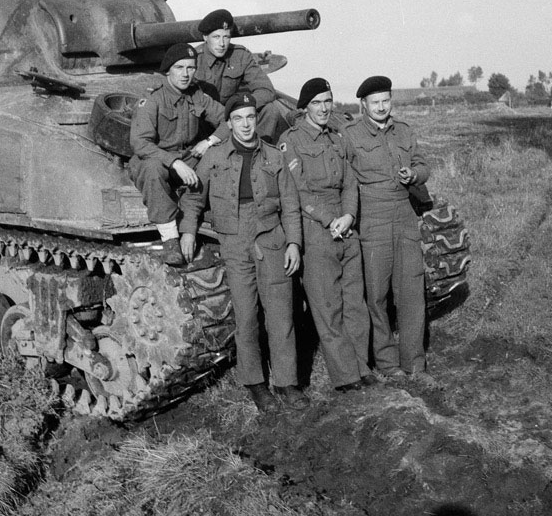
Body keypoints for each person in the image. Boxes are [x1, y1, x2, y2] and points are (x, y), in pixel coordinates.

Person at [179, 92, 308, 412]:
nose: (246, 124)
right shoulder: (215, 157)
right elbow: (194, 197)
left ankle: (287, 384)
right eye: (239, 118)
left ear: (256, 119)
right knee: (247, 317)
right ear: (229, 123)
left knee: (281, 316)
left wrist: (294, 243)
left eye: (251, 117)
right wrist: (188, 230)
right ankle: (255, 384)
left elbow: (291, 205)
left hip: (271, 240)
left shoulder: (274, 156)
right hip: (235, 243)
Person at [279, 78, 376, 392]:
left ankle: (362, 367)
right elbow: (297, 191)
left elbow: (350, 181)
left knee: (355, 305)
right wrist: (329, 219)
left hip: (345, 225)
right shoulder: (291, 140)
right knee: (328, 306)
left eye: (328, 101)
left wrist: (348, 215)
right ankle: (346, 376)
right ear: (305, 106)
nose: (323, 108)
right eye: (317, 102)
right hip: (316, 228)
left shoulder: (337, 137)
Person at [344, 75, 437, 387]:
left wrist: (415, 175)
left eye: (385, 101)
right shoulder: (350, 134)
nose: (381, 107)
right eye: (375, 103)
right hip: (372, 219)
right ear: (363, 105)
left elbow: (423, 164)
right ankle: (386, 361)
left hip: (405, 214)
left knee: (411, 291)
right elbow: (345, 179)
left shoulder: (405, 131)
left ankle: (415, 363)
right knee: (377, 294)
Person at [129, 43, 229, 266]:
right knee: (152, 169)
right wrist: (173, 162)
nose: (186, 74)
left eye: (191, 68)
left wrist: (209, 141)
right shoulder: (153, 100)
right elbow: (140, 143)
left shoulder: (197, 95)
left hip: (187, 156)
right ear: (168, 70)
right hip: (155, 159)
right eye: (179, 67)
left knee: (217, 156)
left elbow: (228, 120)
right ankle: (170, 237)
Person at [194, 9, 282, 141]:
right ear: (205, 37)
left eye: (226, 37)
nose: (222, 44)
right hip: (205, 119)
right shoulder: (194, 59)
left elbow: (266, 90)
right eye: (216, 37)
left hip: (235, 115)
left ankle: (259, 152)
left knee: (270, 109)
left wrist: (240, 108)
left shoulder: (240, 55)